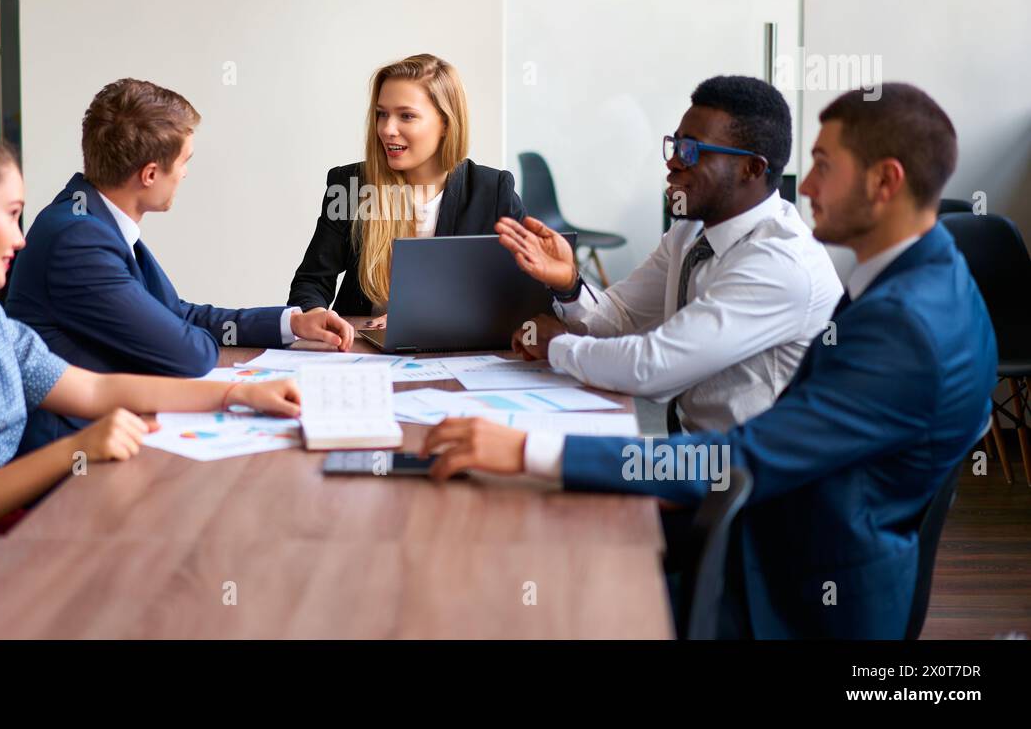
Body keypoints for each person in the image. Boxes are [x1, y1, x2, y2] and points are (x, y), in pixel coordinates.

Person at [423, 83, 997, 639]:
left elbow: (741, 456)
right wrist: (572, 286)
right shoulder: (928, 278)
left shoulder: (897, 325)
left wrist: (528, 449)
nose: (806, 182)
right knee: (536, 537)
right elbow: (625, 323)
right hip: (761, 511)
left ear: (885, 182)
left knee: (549, 583)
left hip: (788, 582)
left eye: (824, 164)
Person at [0, 102, 300, 625]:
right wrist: (76, 449)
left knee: (159, 553)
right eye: (12, 214)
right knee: (144, 574)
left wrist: (234, 394)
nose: (21, 237)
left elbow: (94, 392)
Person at [7, 78, 351, 452]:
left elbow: (176, 313)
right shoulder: (78, 240)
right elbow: (189, 353)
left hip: (116, 426)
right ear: (150, 174)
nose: (185, 173)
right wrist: (178, 332)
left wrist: (292, 322)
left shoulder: (91, 216)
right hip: (73, 448)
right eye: (184, 161)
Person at [497, 76, 841, 432]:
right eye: (674, 145)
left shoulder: (780, 264)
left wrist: (556, 343)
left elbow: (652, 367)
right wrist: (569, 284)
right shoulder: (689, 231)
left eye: (691, 150)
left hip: (761, 475)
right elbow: (622, 318)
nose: (673, 163)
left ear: (751, 168)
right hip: (695, 456)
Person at [289, 53, 524, 325]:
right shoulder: (351, 185)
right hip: (364, 353)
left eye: (406, 116)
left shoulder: (493, 191)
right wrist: (315, 316)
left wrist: (418, 318)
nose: (387, 129)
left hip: (452, 356)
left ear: (446, 123)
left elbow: (520, 294)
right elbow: (311, 283)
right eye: (382, 114)